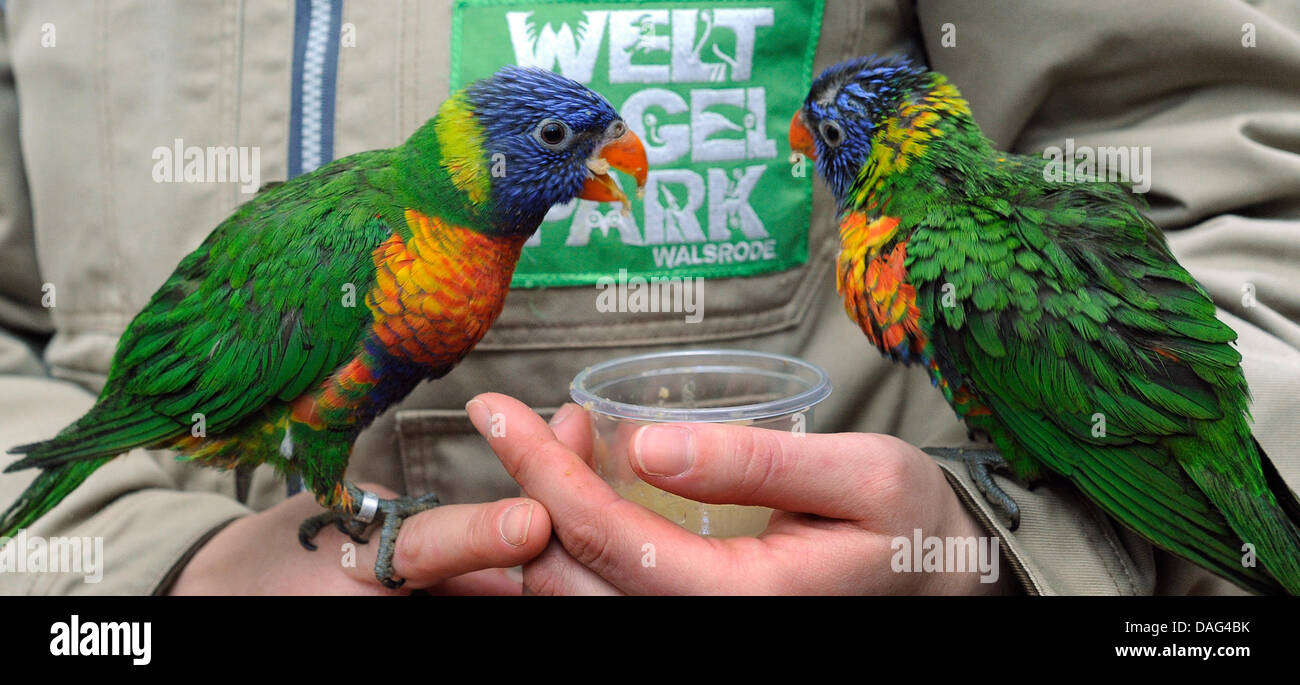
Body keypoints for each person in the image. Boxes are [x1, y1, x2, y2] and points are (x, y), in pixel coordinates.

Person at [1, 0, 1297, 595]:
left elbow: (1223, 182)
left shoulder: (465, 244)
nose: (615, 170)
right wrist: (162, 576)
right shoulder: (380, 256)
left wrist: (996, 558)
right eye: (573, 151)